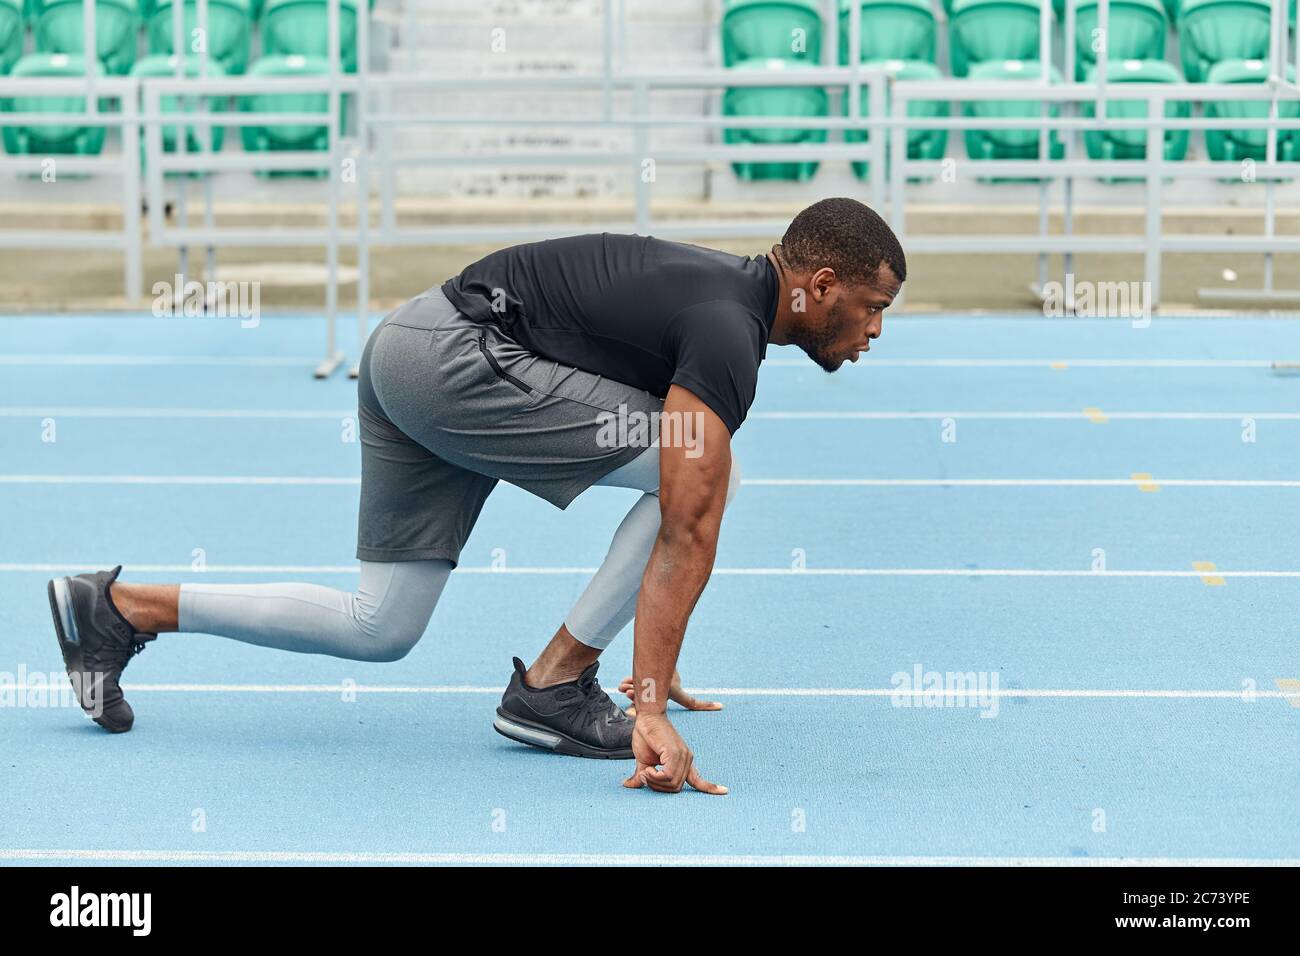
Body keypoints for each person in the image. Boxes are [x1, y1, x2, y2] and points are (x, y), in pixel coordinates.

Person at [47, 197, 905, 795]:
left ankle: (119, 608)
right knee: (704, 469)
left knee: (380, 627)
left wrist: (657, 658)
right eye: (872, 308)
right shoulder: (728, 332)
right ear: (820, 285)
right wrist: (650, 701)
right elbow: (686, 520)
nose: (874, 332)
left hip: (417, 351)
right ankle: (555, 686)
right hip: (457, 361)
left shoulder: (726, 300)